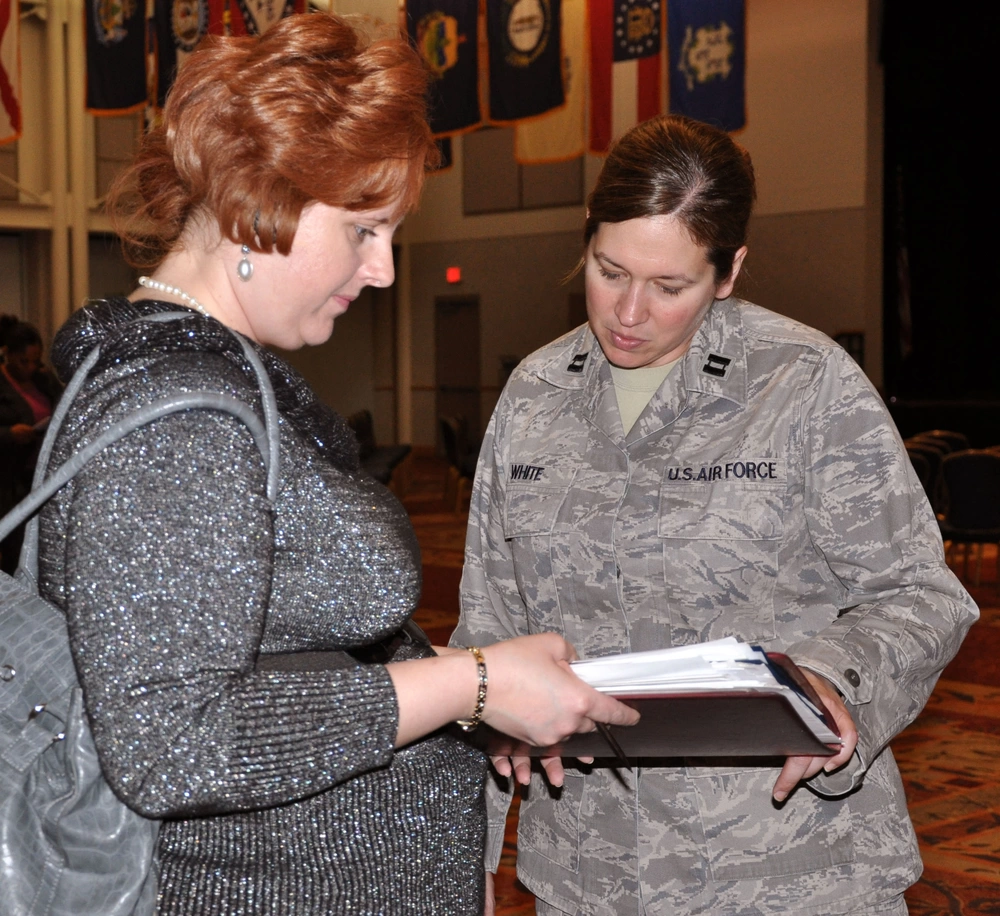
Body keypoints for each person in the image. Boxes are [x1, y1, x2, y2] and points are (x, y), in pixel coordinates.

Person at [35, 14, 638, 915]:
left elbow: (297, 658)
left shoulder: (208, 381)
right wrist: (473, 682)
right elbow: (174, 746)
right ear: (252, 203)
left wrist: (482, 704)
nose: (386, 268)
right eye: (364, 229)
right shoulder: (176, 421)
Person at [452, 114, 979, 915]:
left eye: (670, 287)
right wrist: (466, 864)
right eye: (608, 269)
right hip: (589, 875)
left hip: (788, 868)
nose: (629, 312)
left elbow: (921, 593)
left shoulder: (803, 385)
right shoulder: (535, 396)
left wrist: (835, 679)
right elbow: (486, 631)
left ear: (728, 271)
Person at [0, 316, 61, 572]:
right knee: (15, 548)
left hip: (41, 476)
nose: (30, 367)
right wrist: (9, 434)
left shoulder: (42, 380)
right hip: (10, 479)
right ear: (8, 354)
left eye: (35, 361)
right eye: (24, 361)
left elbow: (64, 406)